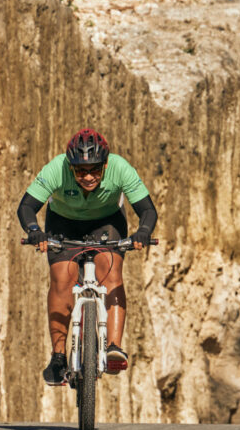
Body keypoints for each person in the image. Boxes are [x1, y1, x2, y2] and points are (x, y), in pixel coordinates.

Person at [17, 128, 158, 386]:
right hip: (63, 223)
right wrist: (35, 231)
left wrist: (144, 232)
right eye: (81, 171)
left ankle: (114, 347)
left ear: (105, 165)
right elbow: (26, 206)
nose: (89, 176)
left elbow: (147, 209)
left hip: (106, 222)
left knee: (111, 271)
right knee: (62, 278)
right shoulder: (55, 169)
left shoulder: (120, 168)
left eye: (95, 169)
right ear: (71, 167)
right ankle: (59, 356)